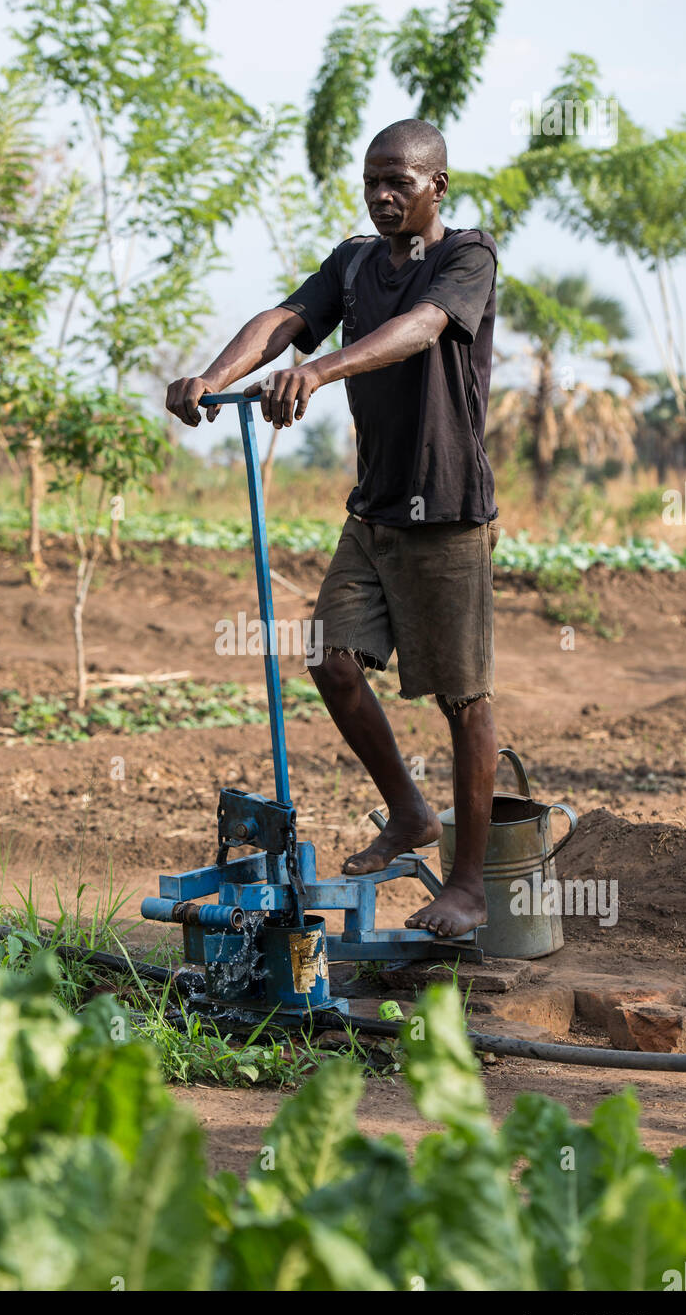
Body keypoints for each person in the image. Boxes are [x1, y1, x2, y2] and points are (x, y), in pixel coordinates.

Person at [166, 118, 499, 939]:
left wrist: (319, 370)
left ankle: (467, 885)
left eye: (401, 183)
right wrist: (213, 377)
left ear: (436, 187)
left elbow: (419, 328)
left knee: (463, 698)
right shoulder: (353, 262)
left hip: (447, 509)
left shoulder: (466, 257)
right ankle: (409, 813)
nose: (384, 196)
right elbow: (284, 319)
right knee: (331, 660)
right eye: (372, 181)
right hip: (375, 510)